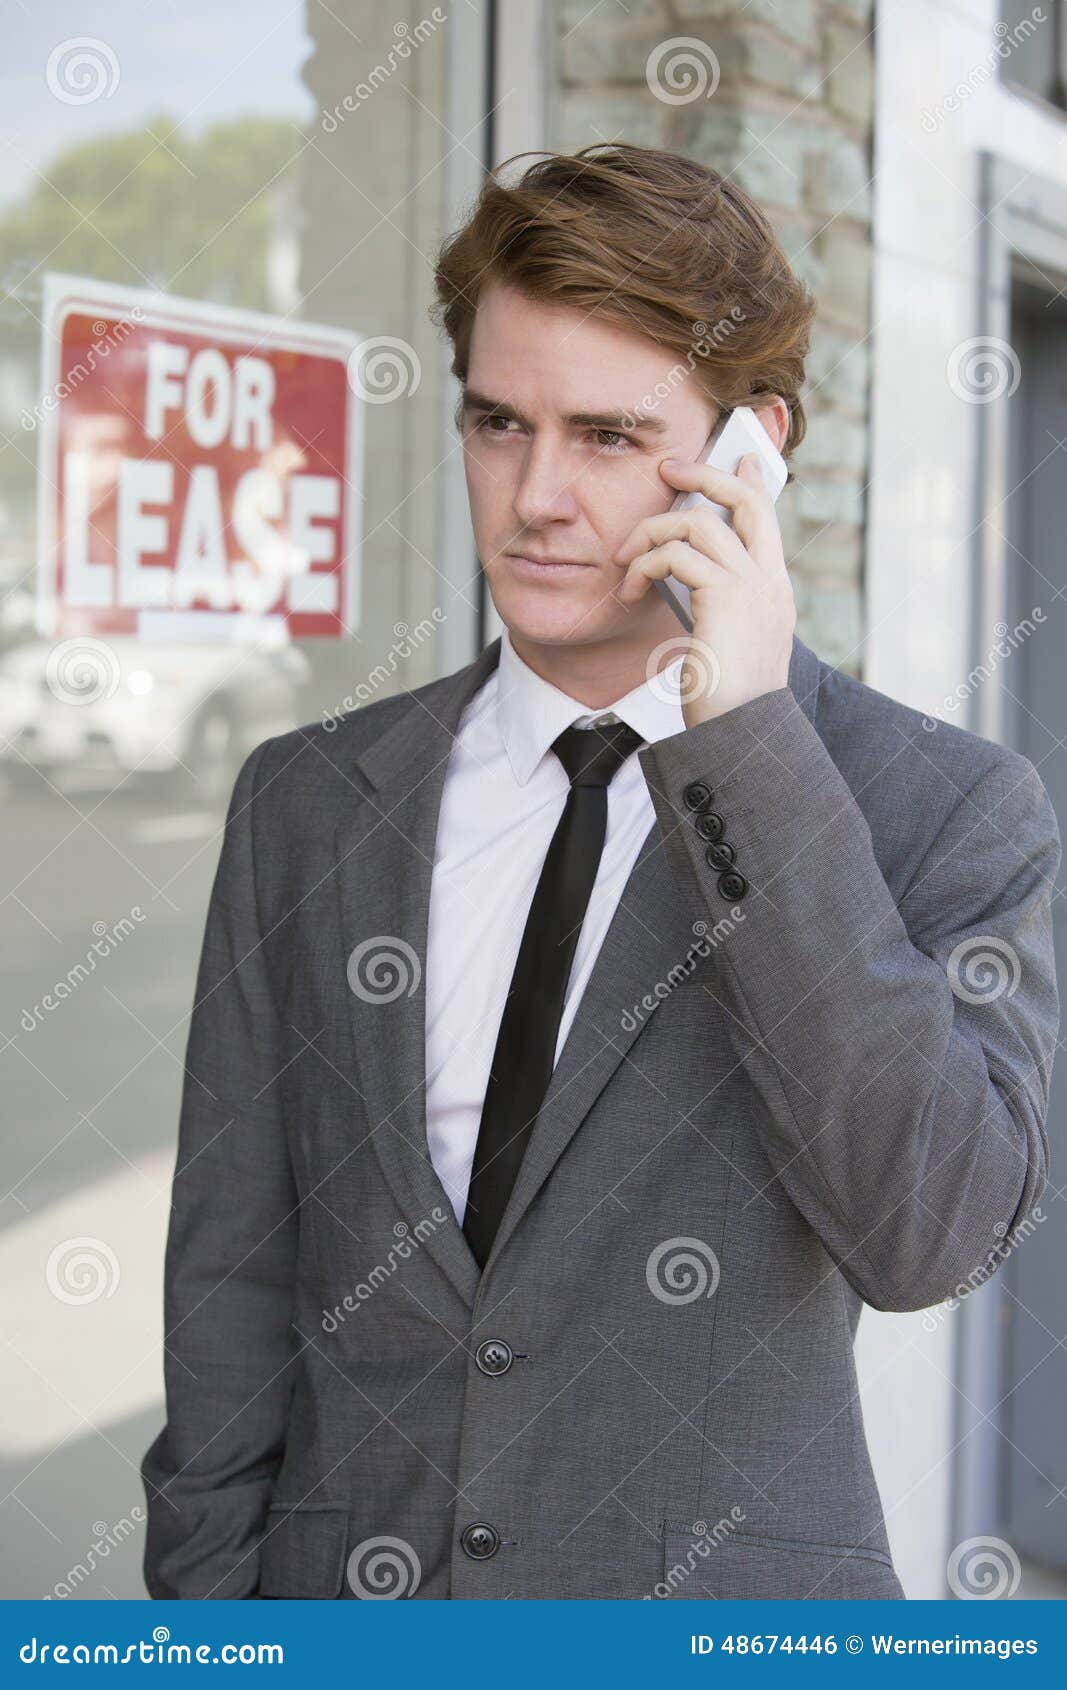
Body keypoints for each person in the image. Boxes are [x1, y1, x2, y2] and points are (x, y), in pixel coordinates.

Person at [141, 143, 1060, 1601]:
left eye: (610, 436)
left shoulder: (934, 807)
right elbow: (230, 1283)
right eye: (500, 423)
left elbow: (927, 1229)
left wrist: (748, 742)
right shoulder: (307, 804)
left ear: (750, 450)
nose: (536, 496)